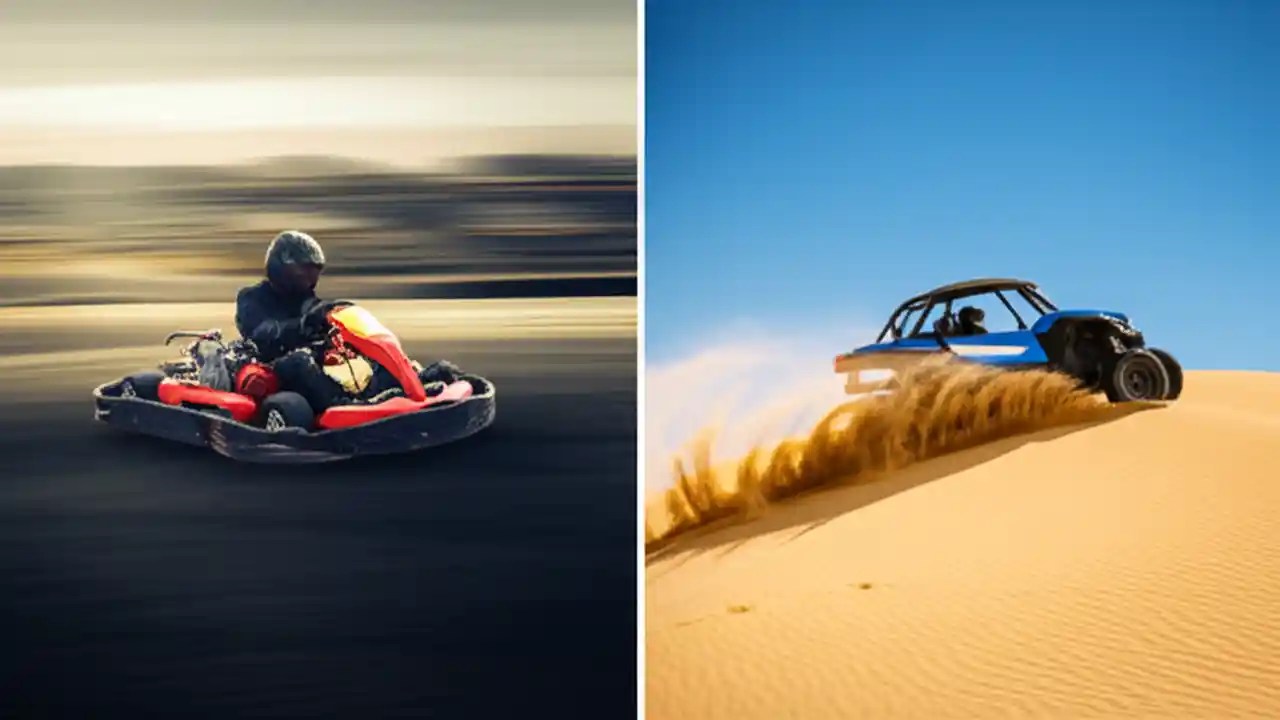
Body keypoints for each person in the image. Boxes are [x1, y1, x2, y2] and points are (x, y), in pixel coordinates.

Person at [234, 230, 461, 412]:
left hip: (318, 357)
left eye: (313, 274)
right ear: (282, 268)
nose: (311, 280)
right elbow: (261, 333)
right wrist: (303, 326)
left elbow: (320, 320)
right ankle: (343, 406)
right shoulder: (252, 298)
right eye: (304, 272)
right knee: (299, 362)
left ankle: (408, 386)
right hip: (275, 364)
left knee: (362, 349)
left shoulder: (307, 300)